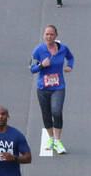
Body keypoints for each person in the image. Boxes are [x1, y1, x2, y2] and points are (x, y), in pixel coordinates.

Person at [30, 25, 75, 153]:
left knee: (56, 111)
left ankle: (58, 141)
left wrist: (69, 66)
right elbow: (32, 69)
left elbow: (70, 57)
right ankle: (50, 138)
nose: (49, 37)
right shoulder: (38, 50)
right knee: (46, 114)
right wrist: (41, 65)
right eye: (47, 34)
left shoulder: (63, 49)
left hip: (58, 86)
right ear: (44, 36)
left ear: (56, 36)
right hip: (43, 87)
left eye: (51, 34)